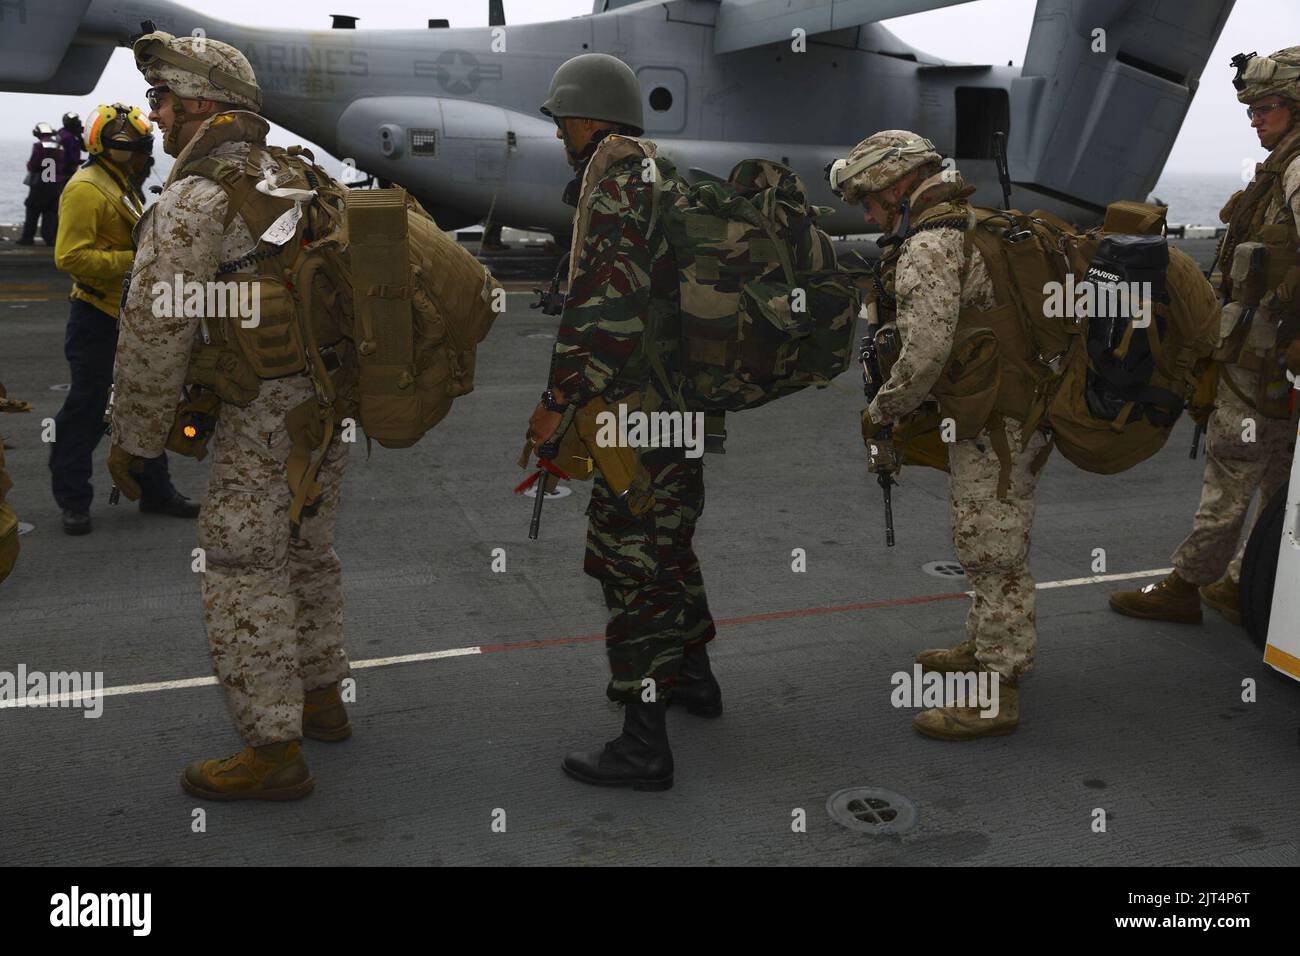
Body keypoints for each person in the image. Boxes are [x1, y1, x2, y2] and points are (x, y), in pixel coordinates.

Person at [109, 30, 352, 801]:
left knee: (243, 563)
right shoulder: (298, 173)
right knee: (307, 546)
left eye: (161, 99)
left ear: (198, 103)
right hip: (325, 403)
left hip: (259, 412)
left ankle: (273, 751)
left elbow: (155, 325)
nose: (155, 117)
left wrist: (135, 442)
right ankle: (321, 700)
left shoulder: (198, 194)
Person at [526, 53, 720, 791]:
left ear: (586, 118)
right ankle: (695, 681)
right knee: (669, 542)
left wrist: (557, 401)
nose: (558, 135)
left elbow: (606, 307)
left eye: (561, 121)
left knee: (630, 563)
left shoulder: (614, 177)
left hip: (636, 415)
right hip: (681, 404)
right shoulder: (659, 168)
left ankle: (644, 745)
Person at [833, 130, 1045, 740]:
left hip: (996, 420)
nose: (869, 215)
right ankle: (984, 645)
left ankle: (997, 688)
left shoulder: (931, 242)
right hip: (1003, 411)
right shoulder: (965, 222)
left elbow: (923, 351)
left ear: (899, 186)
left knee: (992, 546)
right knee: (983, 534)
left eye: (870, 201)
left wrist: (884, 409)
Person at [1109, 47, 1300, 626]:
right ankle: (1249, 581)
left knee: (1231, 462)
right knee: (1277, 471)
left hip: (1264, 355)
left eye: (1266, 108)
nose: (1255, 119)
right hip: (1268, 354)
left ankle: (1188, 584)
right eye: (1250, 111)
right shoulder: (1282, 165)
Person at [50, 103, 198, 535]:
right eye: (128, 149)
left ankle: (155, 491)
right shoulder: (86, 189)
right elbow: (69, 256)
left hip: (129, 314)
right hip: (97, 317)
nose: (139, 156)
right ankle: (73, 501)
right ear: (104, 148)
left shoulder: (120, 183)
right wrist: (137, 258)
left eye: (140, 147)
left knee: (146, 404)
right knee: (86, 409)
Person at [18, 123, 64, 246]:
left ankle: (27, 238)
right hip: (55, 184)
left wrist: (29, 165)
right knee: (50, 212)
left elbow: (33, 165)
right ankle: (50, 239)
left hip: (40, 184)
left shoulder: (38, 146)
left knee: (32, 210)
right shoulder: (59, 147)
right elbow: (61, 165)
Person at [57, 113, 85, 184]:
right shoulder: (68, 137)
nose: (79, 122)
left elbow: (84, 148)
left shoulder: (62, 132)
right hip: (65, 173)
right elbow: (72, 159)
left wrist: (79, 135)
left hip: (61, 172)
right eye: (77, 121)